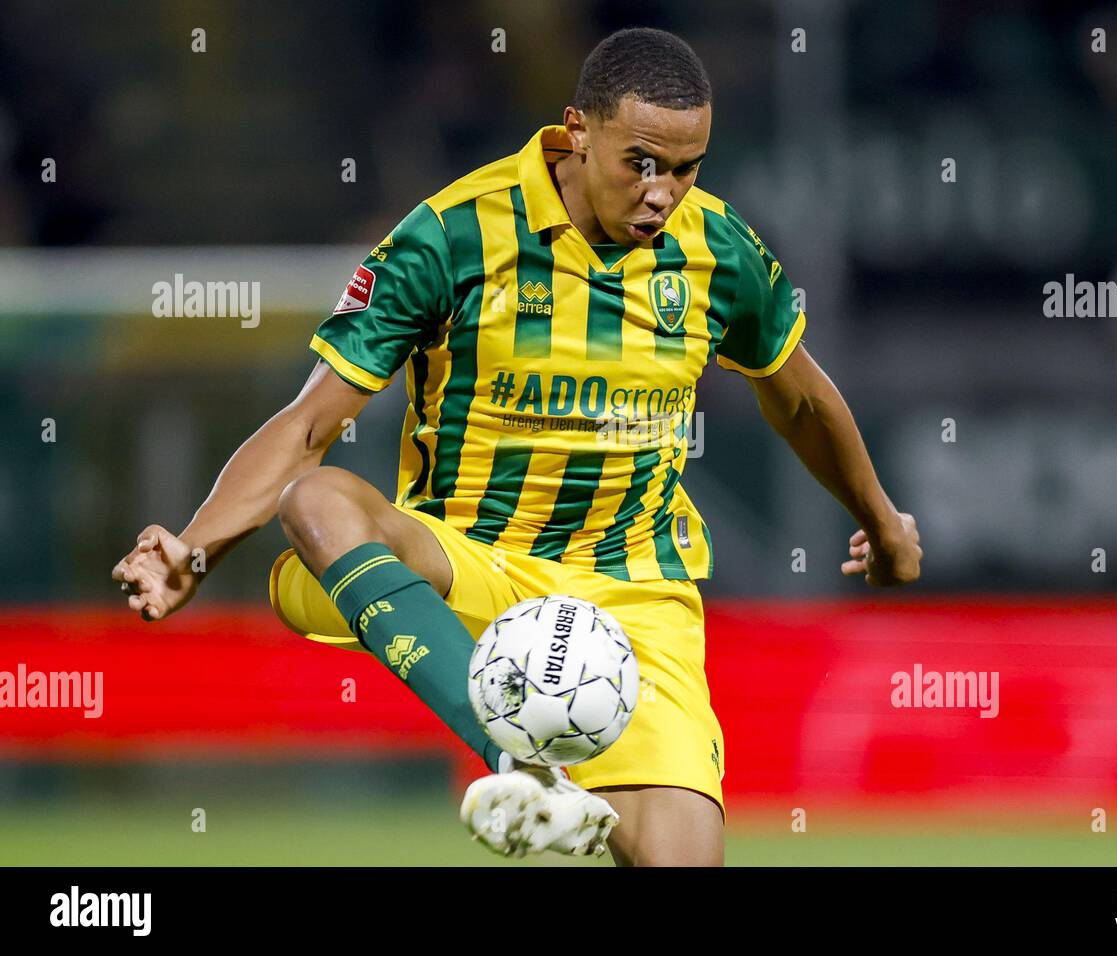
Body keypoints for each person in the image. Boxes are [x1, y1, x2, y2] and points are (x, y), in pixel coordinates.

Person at [111, 27, 921, 867]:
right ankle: (515, 762)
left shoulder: (720, 252)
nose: (662, 194)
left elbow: (800, 401)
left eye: (685, 170)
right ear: (576, 130)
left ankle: (537, 768)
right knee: (316, 500)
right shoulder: (455, 235)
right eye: (640, 162)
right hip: (463, 564)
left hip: (633, 594)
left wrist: (882, 520)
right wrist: (194, 553)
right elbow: (311, 425)